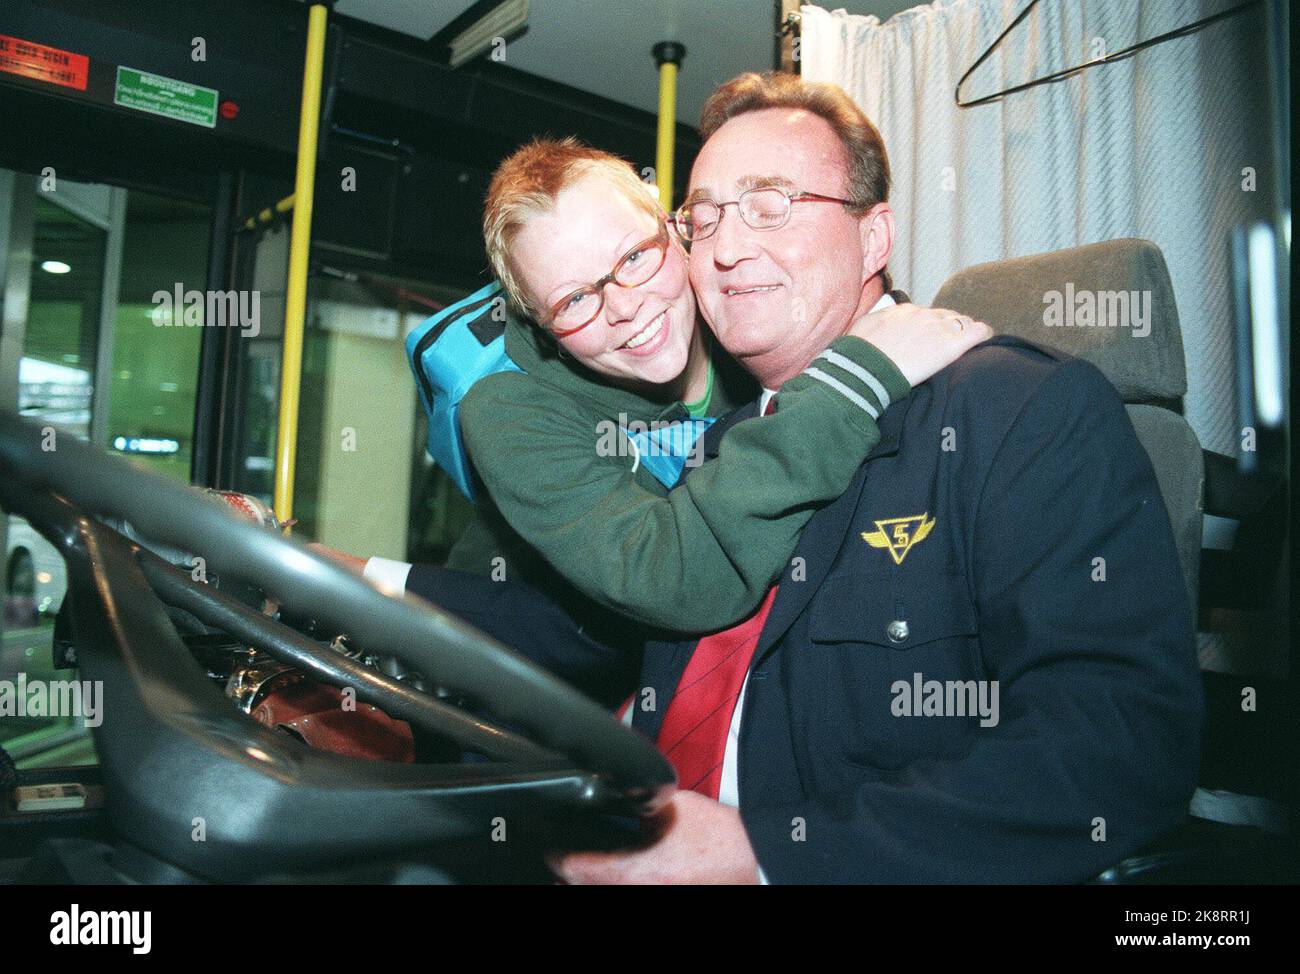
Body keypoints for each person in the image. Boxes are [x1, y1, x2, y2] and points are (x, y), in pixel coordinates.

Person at [430, 72, 1204, 884]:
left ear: (875, 238)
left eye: (771, 203)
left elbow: (1122, 748)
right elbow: (605, 631)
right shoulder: (713, 451)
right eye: (706, 215)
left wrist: (762, 855)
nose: (726, 246)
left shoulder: (1019, 411)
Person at [350, 138, 988, 641]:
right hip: (528, 658)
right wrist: (854, 381)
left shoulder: (739, 316)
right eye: (574, 299)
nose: (625, 308)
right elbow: (671, 577)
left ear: (674, 228)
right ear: (539, 327)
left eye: (633, 258)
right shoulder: (507, 408)